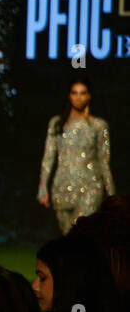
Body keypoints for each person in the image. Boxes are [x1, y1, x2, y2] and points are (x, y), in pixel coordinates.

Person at [39, 78, 115, 235]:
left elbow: (104, 161)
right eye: (74, 93)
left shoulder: (98, 125)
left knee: (83, 234)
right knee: (68, 237)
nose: (78, 97)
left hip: (91, 186)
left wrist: (111, 194)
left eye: (83, 93)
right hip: (62, 186)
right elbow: (48, 157)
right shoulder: (57, 123)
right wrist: (42, 187)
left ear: (89, 96)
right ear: (69, 96)